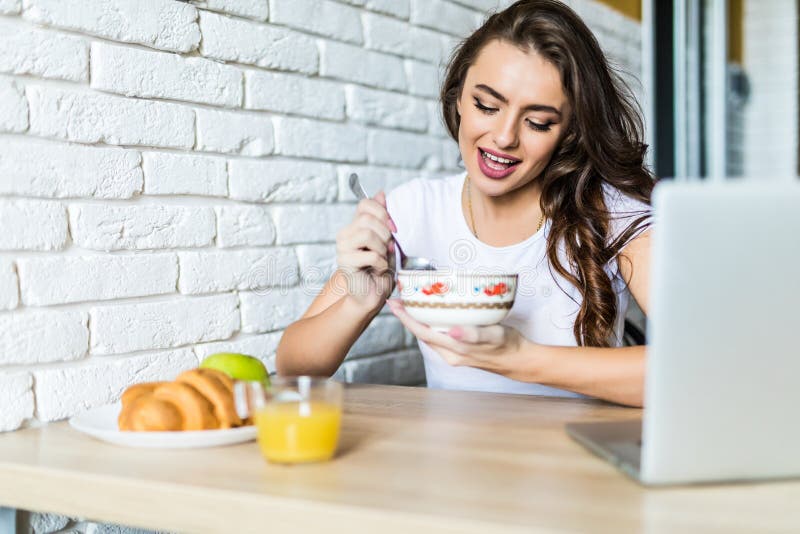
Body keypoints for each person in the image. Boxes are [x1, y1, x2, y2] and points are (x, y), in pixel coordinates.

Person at [276, 0, 654, 407]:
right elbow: (294, 368)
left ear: (569, 132)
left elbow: (701, 366)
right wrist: (358, 300)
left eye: (538, 122)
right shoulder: (412, 212)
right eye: (487, 106)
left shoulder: (614, 214)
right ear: (458, 97)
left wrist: (519, 359)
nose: (504, 136)